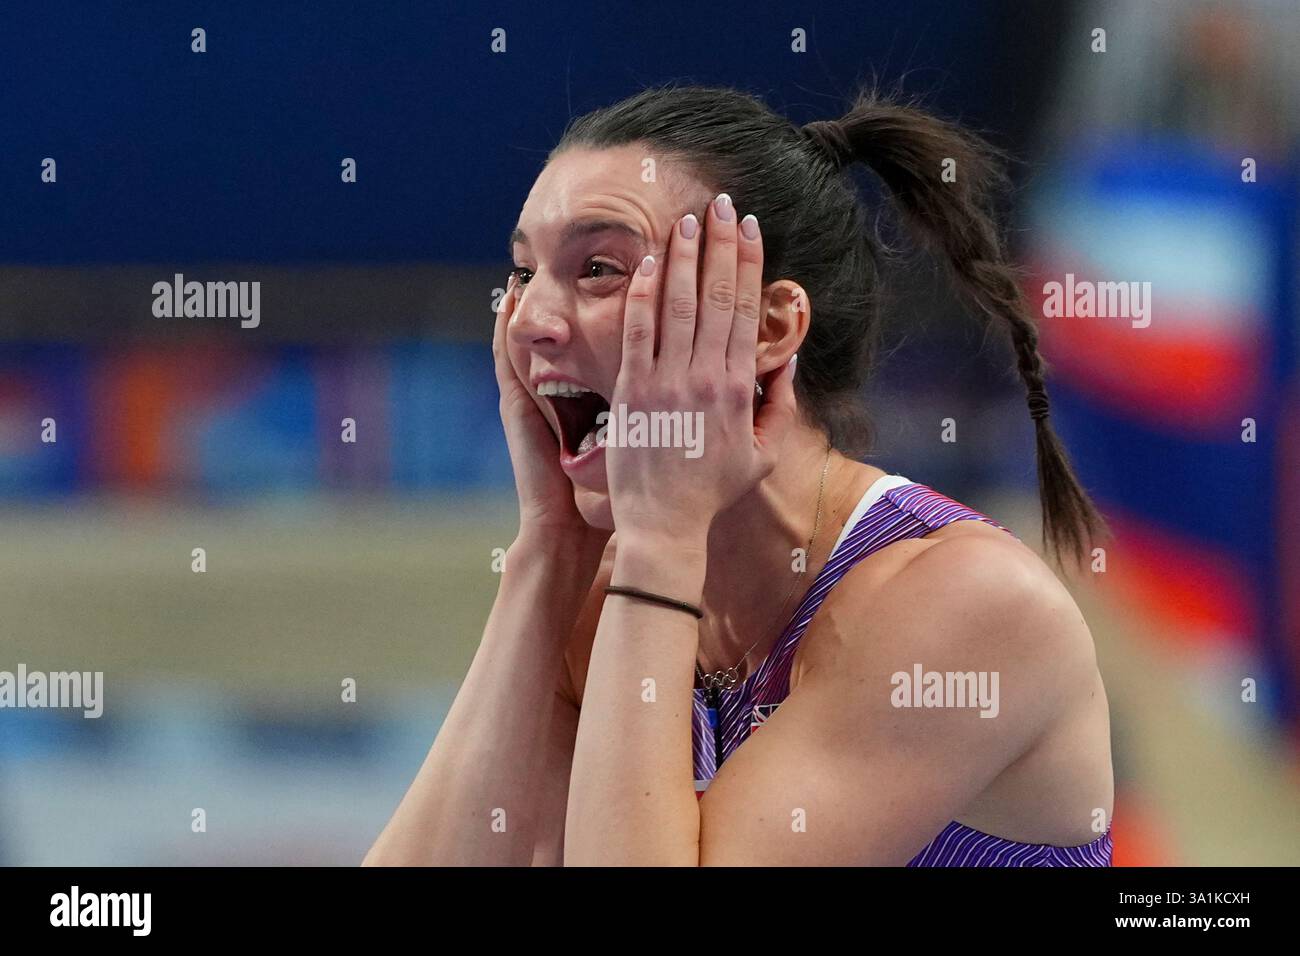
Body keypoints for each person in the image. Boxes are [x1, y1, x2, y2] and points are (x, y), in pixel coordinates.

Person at [365, 84, 1114, 866]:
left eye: (597, 267)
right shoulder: (600, 598)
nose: (532, 321)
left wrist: (660, 542)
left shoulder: (965, 605)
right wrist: (547, 553)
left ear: (769, 326)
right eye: (522, 273)